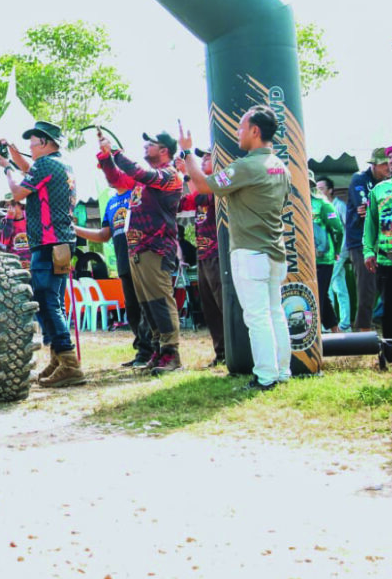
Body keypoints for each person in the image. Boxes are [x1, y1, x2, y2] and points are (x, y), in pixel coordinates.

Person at [180, 106, 291, 391]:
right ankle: (283, 372)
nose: (237, 133)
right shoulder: (281, 166)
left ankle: (266, 376)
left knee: (257, 317)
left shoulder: (246, 166)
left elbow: (203, 185)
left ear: (255, 131)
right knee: (275, 312)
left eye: (241, 128)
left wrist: (187, 153)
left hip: (250, 252)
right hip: (276, 250)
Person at [0, 120, 84, 388]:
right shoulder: (59, 164)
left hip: (48, 243)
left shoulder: (46, 165)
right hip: (60, 242)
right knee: (52, 301)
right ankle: (60, 358)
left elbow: (19, 191)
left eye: (32, 144)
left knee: (47, 301)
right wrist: (13, 153)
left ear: (44, 143)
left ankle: (69, 363)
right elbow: (31, 172)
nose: (30, 149)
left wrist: (8, 169)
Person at [98, 129, 186, 375]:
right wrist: (106, 158)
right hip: (137, 248)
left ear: (164, 150)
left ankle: (171, 353)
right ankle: (158, 349)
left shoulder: (170, 175)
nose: (145, 146)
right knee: (147, 304)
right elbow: (116, 180)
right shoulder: (143, 181)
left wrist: (115, 151)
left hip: (156, 248)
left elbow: (138, 171)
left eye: (151, 144)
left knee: (159, 300)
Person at [73, 155, 152, 367]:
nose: (108, 176)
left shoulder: (137, 192)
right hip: (122, 261)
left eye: (111, 171)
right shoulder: (110, 202)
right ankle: (142, 352)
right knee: (132, 308)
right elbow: (104, 235)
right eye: (104, 171)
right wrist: (74, 229)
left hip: (142, 257)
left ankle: (153, 351)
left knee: (147, 306)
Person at [178, 147, 225, 367]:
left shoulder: (220, 183)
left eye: (208, 155)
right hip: (203, 253)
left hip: (219, 253)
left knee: (223, 303)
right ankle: (222, 352)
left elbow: (202, 196)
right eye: (202, 156)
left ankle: (235, 349)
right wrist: (184, 175)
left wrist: (188, 173)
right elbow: (187, 202)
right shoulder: (201, 186)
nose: (204, 158)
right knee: (209, 307)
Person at [363, 143, 392, 351]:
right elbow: (370, 224)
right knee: (391, 305)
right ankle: (391, 349)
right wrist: (368, 250)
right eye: (390, 158)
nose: (391, 161)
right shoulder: (379, 190)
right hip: (390, 256)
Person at [346, 148, 390, 332]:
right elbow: (364, 210)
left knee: (391, 284)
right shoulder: (360, 179)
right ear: (374, 165)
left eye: (390, 163)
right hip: (361, 243)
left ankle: (384, 323)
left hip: (385, 242)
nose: (388, 168)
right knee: (367, 289)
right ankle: (363, 331)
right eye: (384, 165)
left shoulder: (390, 182)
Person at [308, 170, 344, 333]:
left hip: (322, 260)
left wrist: (336, 250)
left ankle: (315, 335)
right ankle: (335, 331)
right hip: (302, 260)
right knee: (322, 295)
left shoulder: (322, 204)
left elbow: (337, 229)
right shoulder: (290, 203)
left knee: (317, 297)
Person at [316, 175, 351, 330]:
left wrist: (339, 251)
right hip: (334, 253)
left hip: (337, 252)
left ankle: (325, 326)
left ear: (330, 190)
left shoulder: (337, 205)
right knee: (339, 287)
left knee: (326, 288)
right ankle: (343, 324)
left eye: (321, 188)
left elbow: (343, 228)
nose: (318, 190)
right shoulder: (318, 205)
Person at [0, 194, 30, 268]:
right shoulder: (4, 221)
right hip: (14, 263)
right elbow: (4, 242)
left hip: (32, 262)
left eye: (13, 204)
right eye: (7, 205)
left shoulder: (30, 219)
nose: (10, 208)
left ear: (21, 205)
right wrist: (9, 220)